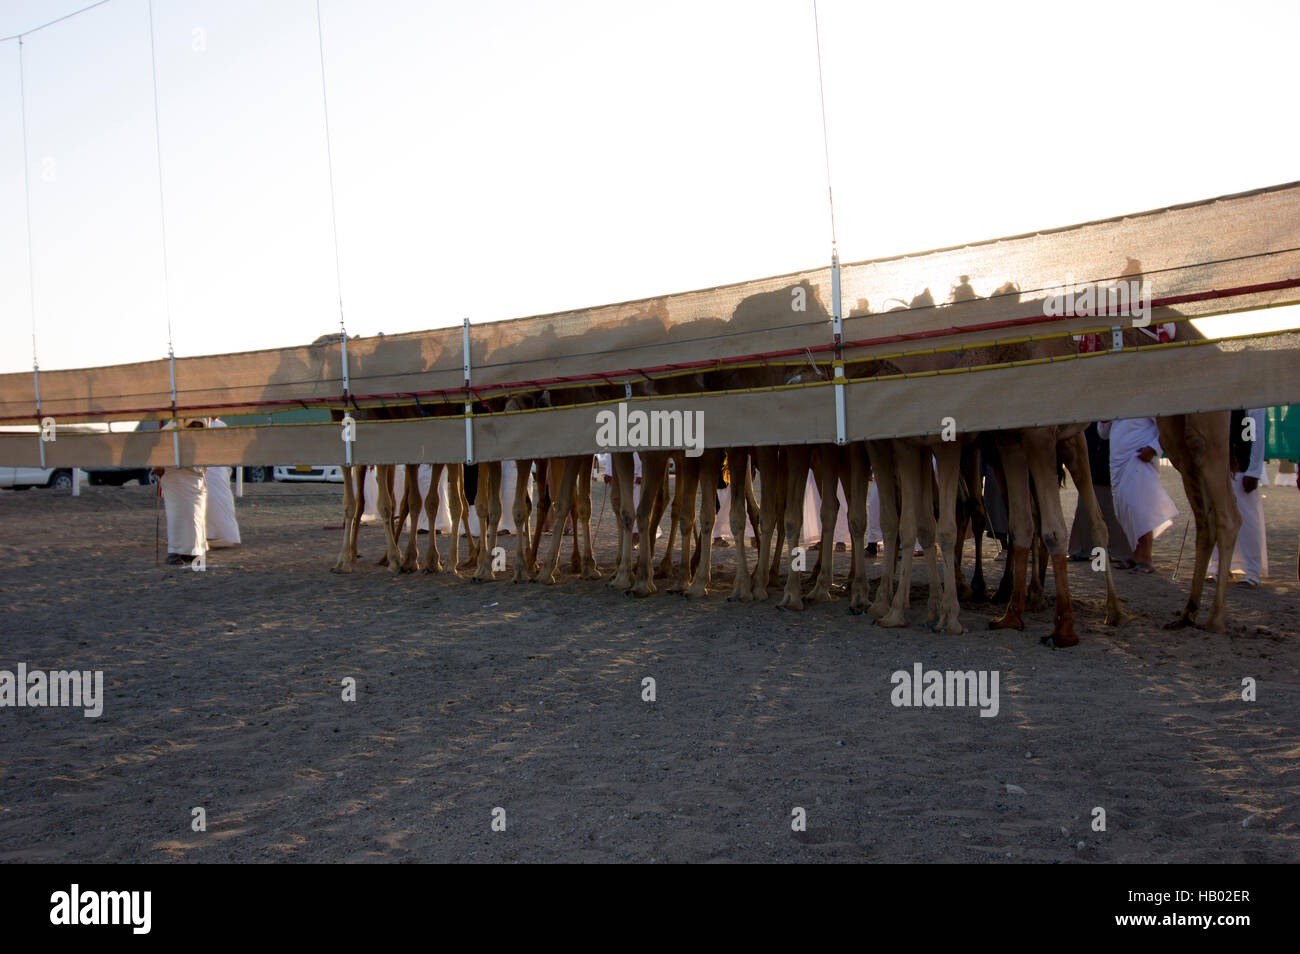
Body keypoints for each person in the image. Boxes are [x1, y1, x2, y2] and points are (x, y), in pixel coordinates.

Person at [1098, 417, 1177, 573]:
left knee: (1140, 509)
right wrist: (1104, 421)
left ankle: (1146, 559)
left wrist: (1153, 449)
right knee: (1124, 510)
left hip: (1139, 461)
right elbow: (1103, 434)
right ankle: (1136, 556)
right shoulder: (1115, 403)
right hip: (1118, 464)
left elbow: (1166, 429)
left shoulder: (1147, 399)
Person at [1209, 408, 1268, 586]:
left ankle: (1252, 571)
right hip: (1221, 467)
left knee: (1247, 521)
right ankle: (1219, 567)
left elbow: (1256, 435)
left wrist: (1253, 471)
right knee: (1219, 517)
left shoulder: (1253, 402)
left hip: (1242, 469)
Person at [1067, 422, 1133, 564]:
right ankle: (1081, 550)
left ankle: (1118, 552)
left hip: (1111, 466)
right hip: (1091, 465)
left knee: (1111, 511)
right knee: (1084, 510)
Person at [154, 419, 208, 566]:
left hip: (195, 479)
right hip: (175, 479)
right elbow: (158, 453)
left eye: (199, 426)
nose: (196, 428)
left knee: (195, 517)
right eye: (194, 425)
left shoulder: (205, 434)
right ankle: (176, 551)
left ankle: (193, 551)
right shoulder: (168, 431)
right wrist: (157, 466)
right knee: (177, 516)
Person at [203, 418, 241, 548]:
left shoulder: (221, 425)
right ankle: (208, 534)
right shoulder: (199, 424)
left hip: (219, 469)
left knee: (221, 500)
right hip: (205, 469)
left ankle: (226, 535)